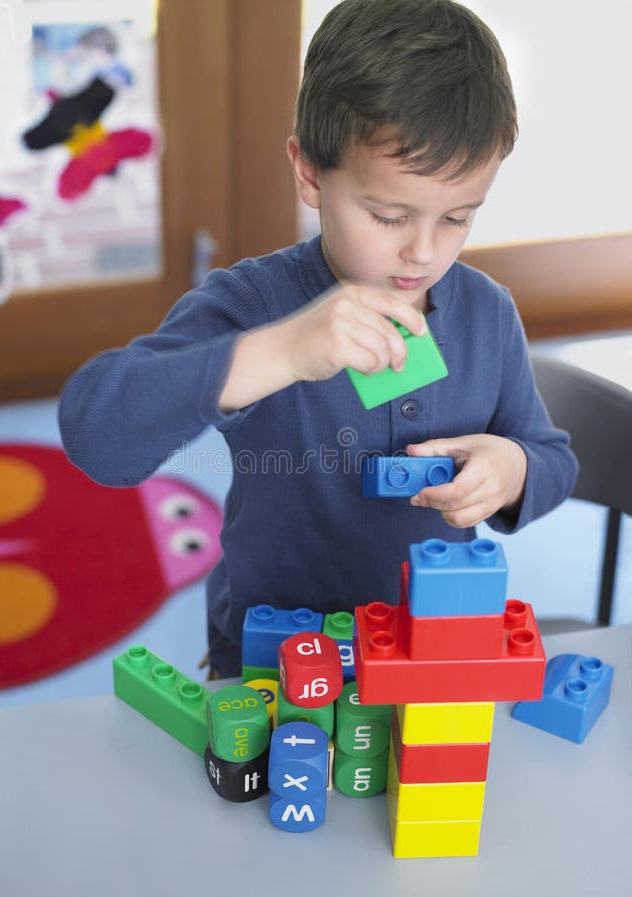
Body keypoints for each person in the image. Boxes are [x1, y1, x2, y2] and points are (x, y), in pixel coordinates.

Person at [59, 0, 578, 677]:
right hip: (267, 660)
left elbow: (552, 458)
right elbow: (98, 434)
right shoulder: (253, 304)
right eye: (388, 215)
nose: (423, 251)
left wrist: (511, 469)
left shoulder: (487, 314)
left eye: (457, 217)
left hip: (424, 654)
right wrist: (278, 352)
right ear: (310, 174)